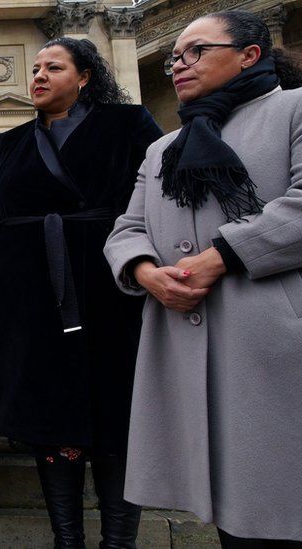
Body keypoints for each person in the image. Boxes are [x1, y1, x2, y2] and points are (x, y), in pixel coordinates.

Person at [104, 11, 302, 547]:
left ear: (248, 55)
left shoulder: (294, 108)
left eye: (195, 52)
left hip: (272, 339)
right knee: (231, 518)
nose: (178, 65)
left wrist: (219, 256)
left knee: (280, 502)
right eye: (175, 57)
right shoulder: (162, 148)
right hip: (186, 341)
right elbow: (127, 229)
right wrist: (146, 271)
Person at [0, 38, 162, 548]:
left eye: (53, 67)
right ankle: (67, 540)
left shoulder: (129, 124)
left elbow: (159, 201)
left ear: (84, 77)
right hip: (31, 304)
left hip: (111, 294)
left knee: (116, 413)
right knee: (49, 416)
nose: (38, 76)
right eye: (34, 68)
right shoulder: (8, 143)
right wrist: (0, 279)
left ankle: (119, 543)